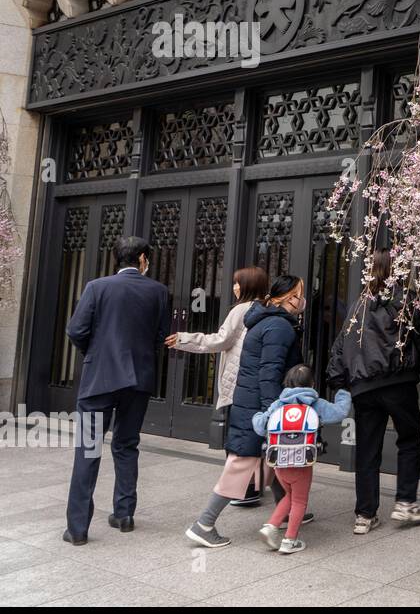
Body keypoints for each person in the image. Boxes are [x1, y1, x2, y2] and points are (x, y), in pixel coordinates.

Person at [63, 235, 171, 545]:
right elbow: (162, 335)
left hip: (100, 379)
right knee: (126, 445)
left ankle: (78, 528)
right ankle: (124, 514)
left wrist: (96, 354)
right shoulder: (159, 291)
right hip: (139, 380)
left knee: (88, 449)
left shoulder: (97, 287)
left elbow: (76, 331)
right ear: (141, 259)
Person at [185, 275, 305, 548]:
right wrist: (271, 412)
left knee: (273, 459)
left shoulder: (262, 321)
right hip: (258, 406)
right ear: (288, 298)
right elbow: (269, 373)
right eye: (299, 294)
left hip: (248, 402)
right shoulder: (279, 327)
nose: (302, 300)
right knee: (240, 465)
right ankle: (205, 523)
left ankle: (284, 509)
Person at [326, 250, 420, 534]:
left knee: (367, 448)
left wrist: (337, 381)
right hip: (398, 382)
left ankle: (365, 514)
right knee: (410, 438)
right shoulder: (407, 302)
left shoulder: (357, 306)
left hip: (364, 387)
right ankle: (405, 503)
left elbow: (341, 345)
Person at [167, 266, 271, 507]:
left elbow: (220, 340)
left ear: (249, 285)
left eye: (238, 282)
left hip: (238, 381)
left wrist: (185, 338)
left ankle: (244, 490)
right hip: (256, 382)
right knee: (256, 433)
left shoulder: (241, 310)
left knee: (240, 437)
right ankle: (256, 486)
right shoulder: (266, 309)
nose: (234, 287)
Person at [252, 364, 352, 554]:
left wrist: (257, 414)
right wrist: (343, 391)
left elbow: (259, 425)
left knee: (289, 496)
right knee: (299, 501)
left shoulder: (279, 404)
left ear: (287, 383)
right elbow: (340, 412)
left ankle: (271, 526)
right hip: (302, 462)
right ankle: (290, 540)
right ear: (312, 383)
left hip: (278, 461)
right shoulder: (316, 403)